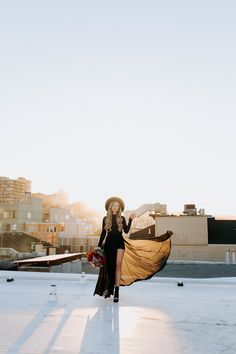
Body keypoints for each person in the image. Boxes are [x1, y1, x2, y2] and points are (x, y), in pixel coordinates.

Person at [93, 196, 173, 302]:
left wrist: (130, 220)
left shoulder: (122, 218)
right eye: (113, 205)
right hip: (108, 244)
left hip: (119, 243)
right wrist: (99, 246)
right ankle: (109, 289)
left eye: (117, 206)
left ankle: (116, 292)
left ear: (119, 208)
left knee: (118, 267)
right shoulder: (105, 219)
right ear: (110, 207)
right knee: (110, 267)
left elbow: (126, 231)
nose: (115, 207)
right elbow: (103, 233)